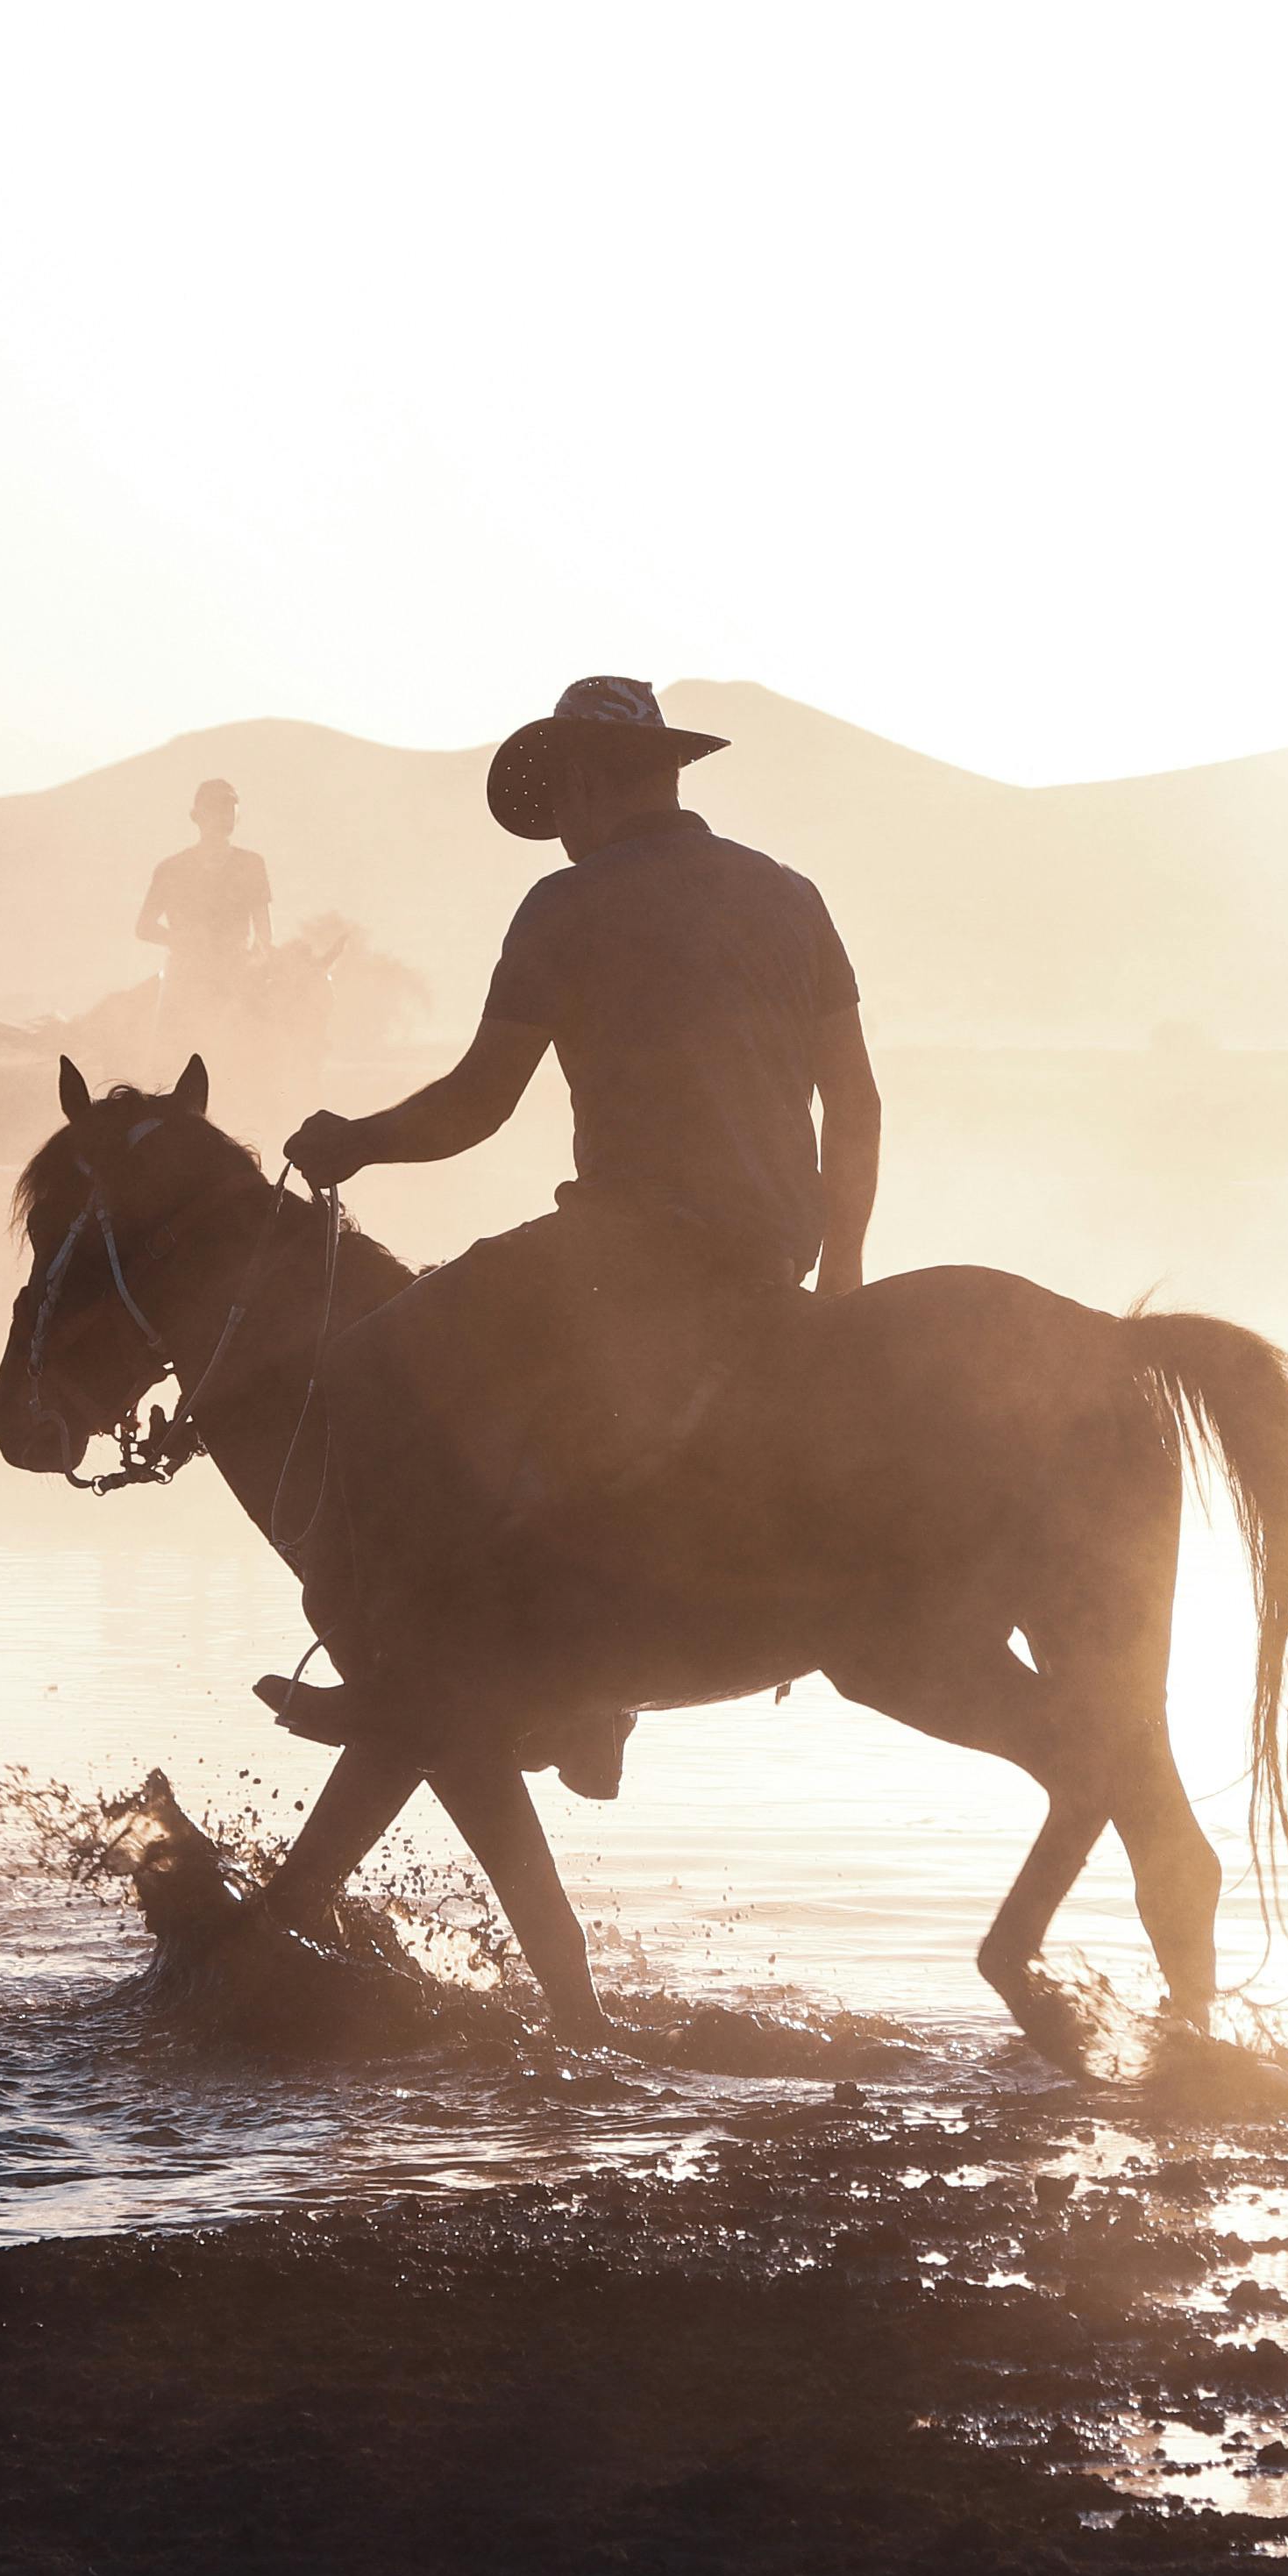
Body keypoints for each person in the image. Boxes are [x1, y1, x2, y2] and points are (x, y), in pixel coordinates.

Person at [264, 676, 879, 1783]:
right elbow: (858, 1102)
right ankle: (576, 1690)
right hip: (771, 1252)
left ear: (594, 784)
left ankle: (415, 1674)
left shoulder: (569, 907)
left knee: (364, 1371)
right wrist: (842, 1271)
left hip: (632, 1244)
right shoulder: (790, 895)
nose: (558, 834)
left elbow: (476, 1106)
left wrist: (353, 1140)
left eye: (564, 805)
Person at [133, 777, 271, 1017]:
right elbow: (144, 927)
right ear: (198, 816)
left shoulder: (251, 866)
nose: (222, 816)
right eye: (215, 809)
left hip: (237, 976)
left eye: (228, 809)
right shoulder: (170, 870)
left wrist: (252, 965)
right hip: (185, 982)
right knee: (167, 1042)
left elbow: (264, 934)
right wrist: (180, 940)